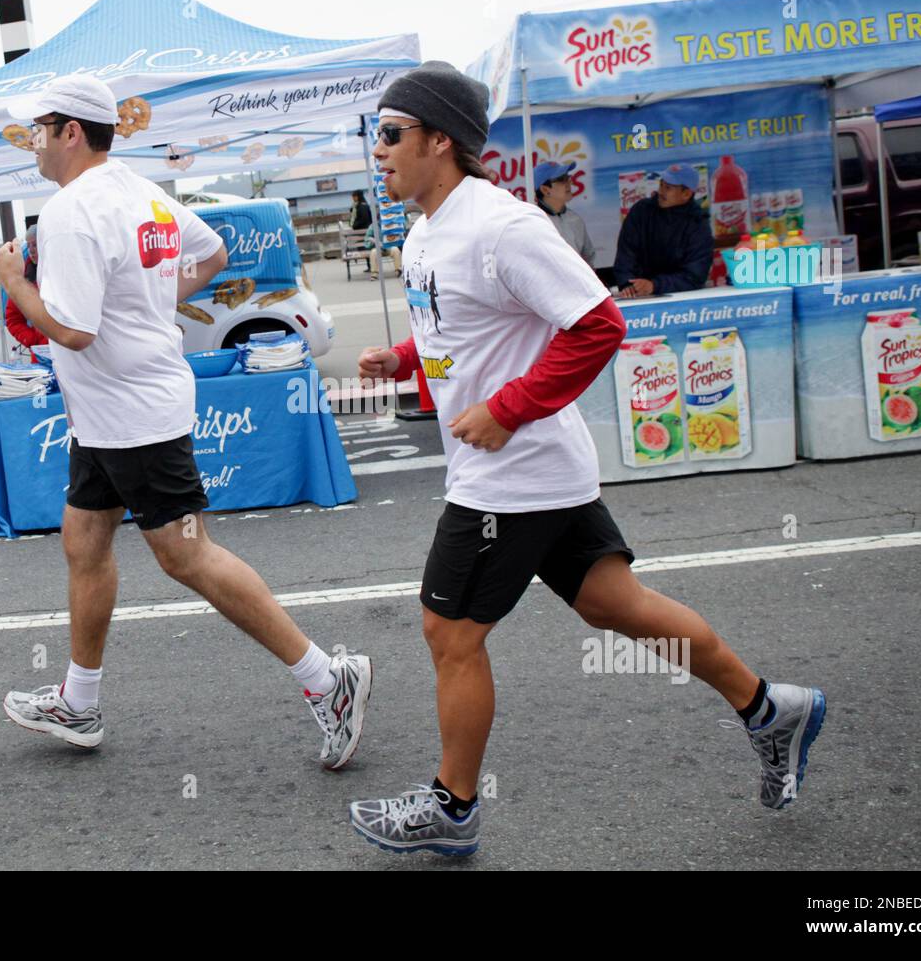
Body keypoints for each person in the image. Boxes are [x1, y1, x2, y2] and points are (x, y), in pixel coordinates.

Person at [347, 60, 826, 856]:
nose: (379, 150)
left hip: (515, 472)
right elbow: (464, 326)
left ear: (440, 140)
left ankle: (453, 807)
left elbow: (599, 324)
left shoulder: (502, 224)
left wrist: (507, 408)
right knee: (616, 606)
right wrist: (404, 360)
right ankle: (771, 707)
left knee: (449, 630)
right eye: (376, 136)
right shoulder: (428, 230)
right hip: (533, 470)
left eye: (391, 134)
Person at [0, 75, 372, 765]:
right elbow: (214, 256)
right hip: (111, 414)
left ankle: (327, 678)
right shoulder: (141, 192)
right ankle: (79, 702)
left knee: (186, 555)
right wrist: (146, 306)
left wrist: (16, 282)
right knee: (83, 538)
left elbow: (73, 330)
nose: (32, 144)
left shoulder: (73, 211)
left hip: (133, 413)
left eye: (38, 130)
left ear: (70, 132)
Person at [612, 164, 713, 297]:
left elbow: (695, 275)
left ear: (686, 194)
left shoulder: (698, 223)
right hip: (638, 296)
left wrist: (654, 285)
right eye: (661, 185)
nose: (660, 191)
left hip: (681, 299)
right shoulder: (641, 211)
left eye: (668, 188)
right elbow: (625, 256)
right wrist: (627, 284)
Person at [534, 160, 596, 267]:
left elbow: (589, 256)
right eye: (562, 180)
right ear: (545, 190)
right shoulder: (535, 222)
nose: (569, 183)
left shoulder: (575, 219)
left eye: (568, 178)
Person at [5, 224, 48, 354]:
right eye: (28, 246)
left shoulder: (62, 272)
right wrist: (33, 340)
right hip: (42, 355)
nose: (31, 250)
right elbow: (12, 318)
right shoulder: (25, 278)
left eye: (35, 245)